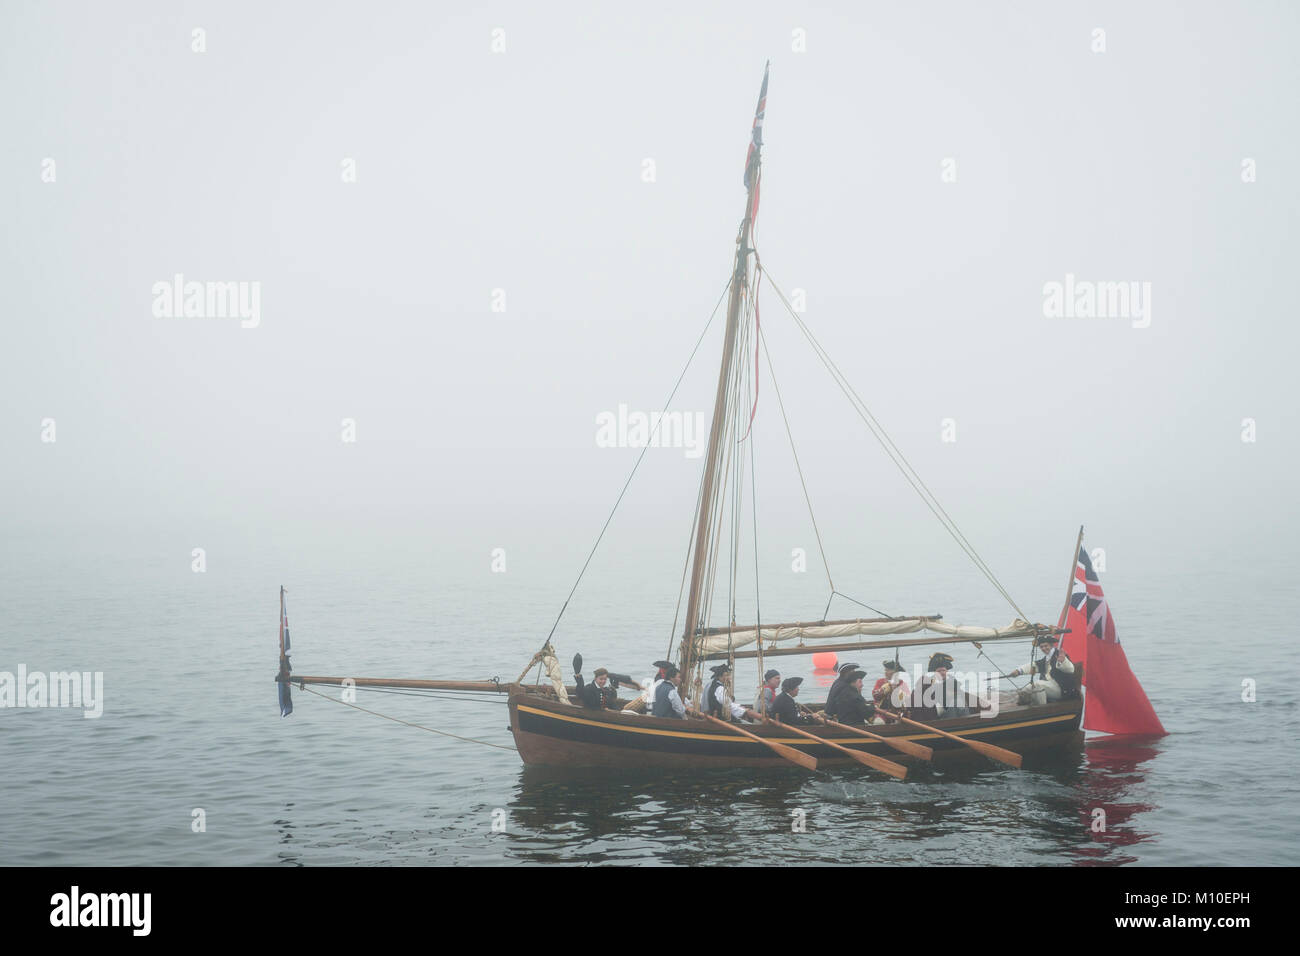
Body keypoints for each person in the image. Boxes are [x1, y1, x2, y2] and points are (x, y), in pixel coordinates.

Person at [1007, 636, 1079, 701]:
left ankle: (1042, 708)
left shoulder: (1059, 656)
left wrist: (1063, 662)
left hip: (1062, 690)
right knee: (1027, 689)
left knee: (1038, 685)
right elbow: (1034, 665)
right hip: (1051, 686)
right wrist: (1018, 671)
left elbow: (1070, 669)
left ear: (1051, 645)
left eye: (1045, 646)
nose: (1044, 648)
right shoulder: (1046, 659)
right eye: (1041, 647)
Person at [917, 652, 975, 720]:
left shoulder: (952, 680)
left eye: (943, 670)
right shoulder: (932, 683)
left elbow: (959, 695)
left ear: (947, 671)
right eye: (939, 671)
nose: (942, 672)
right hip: (943, 713)